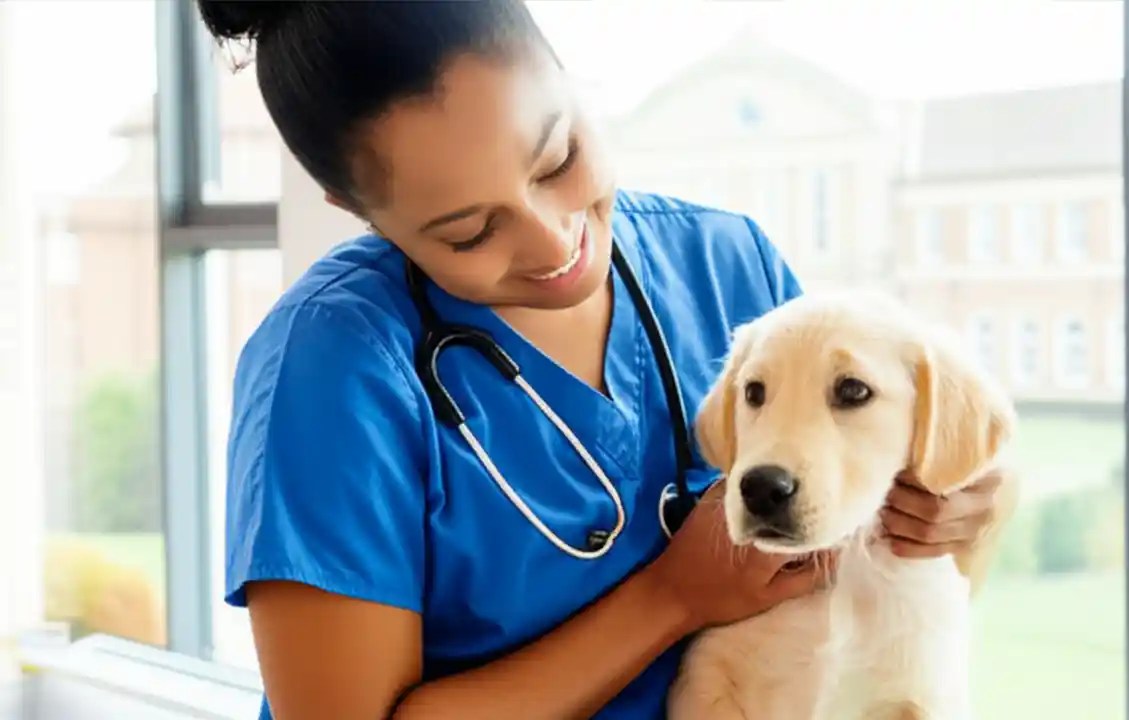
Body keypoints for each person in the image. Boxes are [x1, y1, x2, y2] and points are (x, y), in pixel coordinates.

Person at [197, 2, 1011, 719]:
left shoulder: (727, 265)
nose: (555, 240)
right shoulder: (332, 367)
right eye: (469, 231)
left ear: (567, 76)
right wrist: (669, 599)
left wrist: (963, 511)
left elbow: (872, 597)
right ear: (355, 211)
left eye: (556, 159)